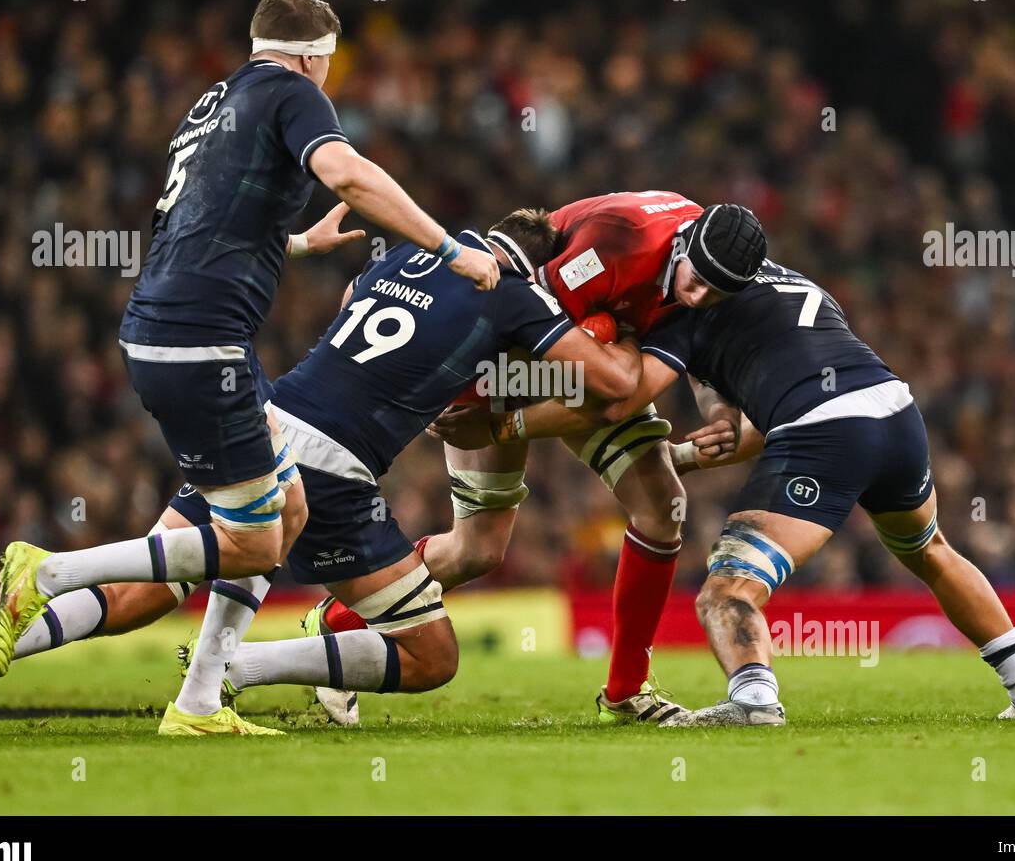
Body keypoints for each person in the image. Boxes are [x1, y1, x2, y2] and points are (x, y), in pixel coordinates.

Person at [0, 0, 498, 735]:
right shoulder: (295, 92)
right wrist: (448, 248)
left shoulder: (212, 104)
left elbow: (193, 227)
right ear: (313, 57)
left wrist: (294, 244)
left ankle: (198, 704)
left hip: (172, 330)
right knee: (254, 540)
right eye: (330, 63)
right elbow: (350, 175)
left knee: (287, 511)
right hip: (200, 341)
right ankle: (51, 570)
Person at [0, 221, 639, 735]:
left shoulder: (406, 254)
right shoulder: (514, 287)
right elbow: (606, 383)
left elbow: (355, 311)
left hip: (269, 420)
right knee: (430, 656)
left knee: (145, 592)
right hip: (338, 466)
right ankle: (223, 662)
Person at [434, 255, 1015, 726]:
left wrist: (505, 420)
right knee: (931, 550)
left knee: (726, 592)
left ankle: (754, 701)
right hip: (895, 412)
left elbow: (620, 398)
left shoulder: (684, 311)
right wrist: (683, 453)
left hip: (826, 431)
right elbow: (762, 414)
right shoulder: (791, 281)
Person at [317, 195, 768, 724]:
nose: (698, 295)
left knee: (662, 503)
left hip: (594, 370)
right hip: (506, 362)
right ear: (684, 244)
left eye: (716, 292)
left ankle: (626, 693)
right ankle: (338, 623)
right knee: (477, 551)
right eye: (697, 279)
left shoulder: (711, 283)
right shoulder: (616, 243)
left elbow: (641, 382)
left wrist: (718, 407)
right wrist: (489, 412)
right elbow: (524, 328)